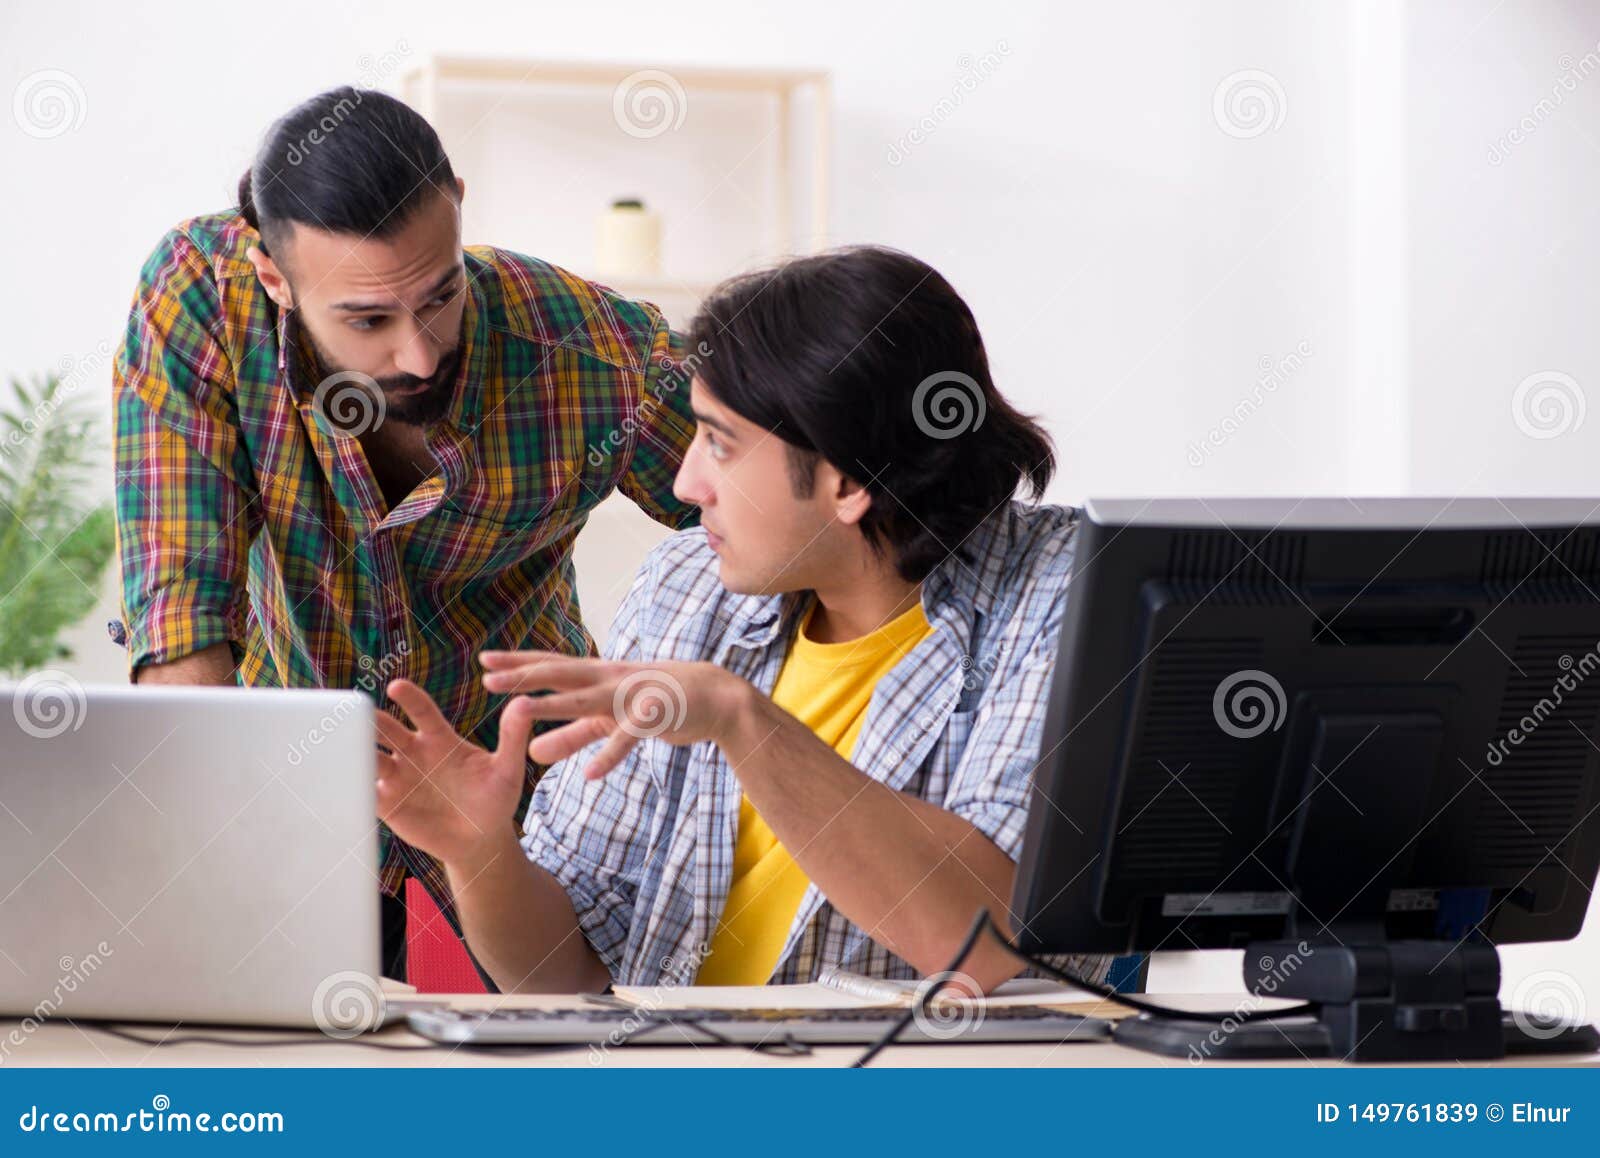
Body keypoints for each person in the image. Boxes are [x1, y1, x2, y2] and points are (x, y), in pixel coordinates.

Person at [374, 245, 1111, 992]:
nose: (688, 481)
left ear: (848, 481)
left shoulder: (1066, 596)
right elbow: (564, 973)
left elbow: (990, 949)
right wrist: (480, 853)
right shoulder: (685, 587)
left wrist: (742, 720)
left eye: (719, 443)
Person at [111, 87, 697, 978]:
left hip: (520, 814)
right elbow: (182, 613)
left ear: (457, 204)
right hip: (285, 796)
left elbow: (771, 513)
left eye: (440, 296)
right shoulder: (205, 295)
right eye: (367, 321)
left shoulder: (596, 351)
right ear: (275, 275)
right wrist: (200, 896)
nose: (420, 354)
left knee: (547, 1078)